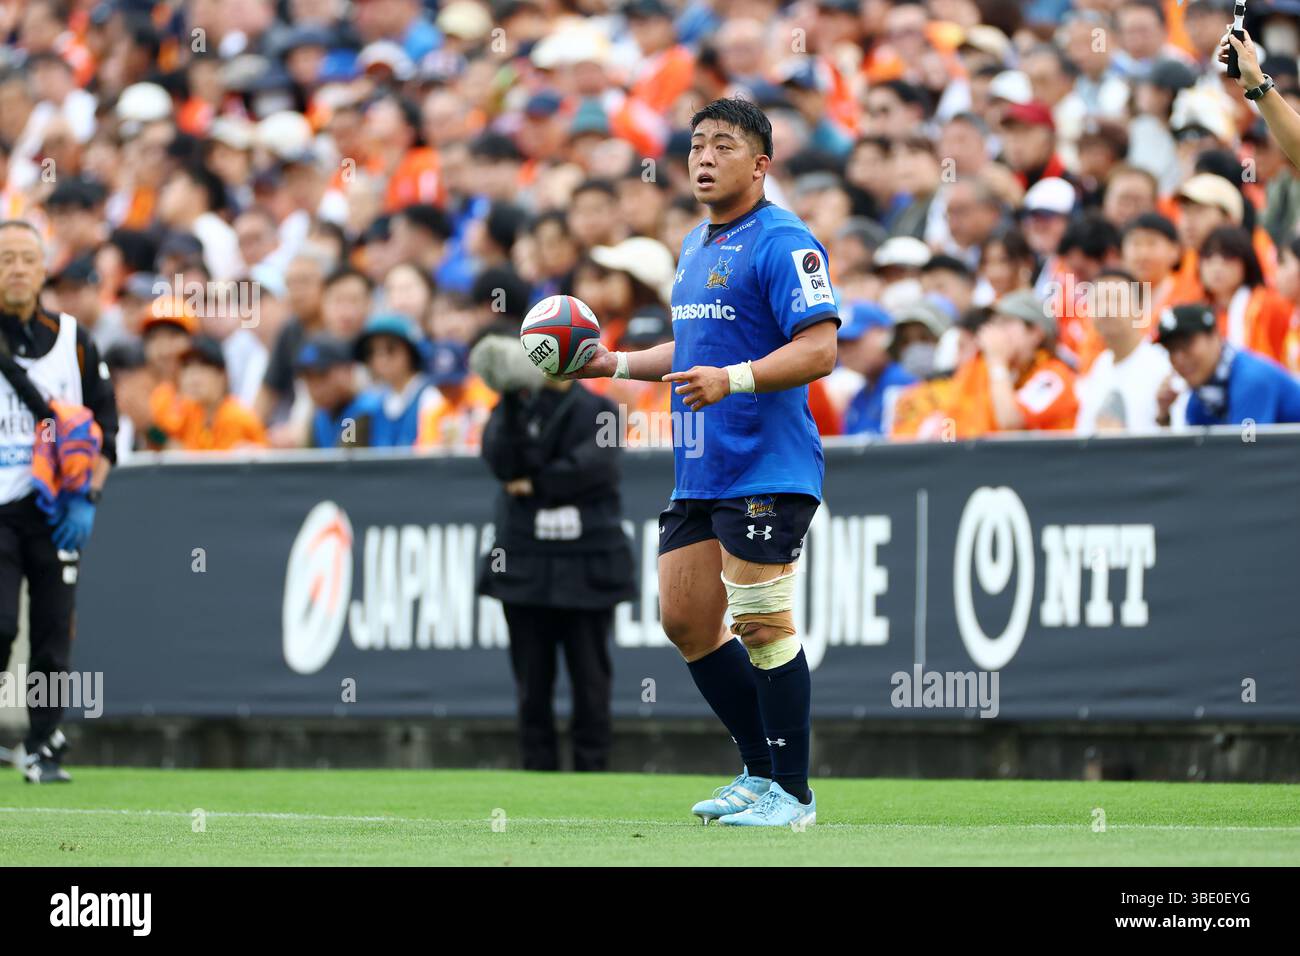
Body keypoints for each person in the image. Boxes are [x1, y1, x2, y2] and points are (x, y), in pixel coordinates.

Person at [564, 98, 839, 827]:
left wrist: (735, 379)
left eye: (724, 144)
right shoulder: (694, 244)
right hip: (700, 467)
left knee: (761, 622)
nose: (704, 157)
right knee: (685, 621)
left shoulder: (786, 241)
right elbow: (691, 351)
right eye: (695, 145)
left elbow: (820, 348)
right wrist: (612, 360)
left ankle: (794, 793)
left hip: (765, 464)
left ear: (761, 163)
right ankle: (758, 772)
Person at [472, 334, 635, 772]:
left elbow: (594, 469)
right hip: (526, 567)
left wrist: (536, 483)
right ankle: (536, 772)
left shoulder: (601, 411)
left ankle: (593, 774)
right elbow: (500, 460)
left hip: (588, 565)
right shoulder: (516, 408)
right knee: (531, 685)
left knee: (591, 681)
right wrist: (508, 396)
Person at [0, 220, 117, 783]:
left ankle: (44, 744)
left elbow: (108, 427)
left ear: (43, 269)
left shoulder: (74, 340)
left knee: (52, 634)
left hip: (54, 510)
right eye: (6, 259)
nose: (16, 269)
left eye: (26, 258)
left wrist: (88, 496)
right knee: (0, 626)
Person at [942, 289, 1079, 438]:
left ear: (1036, 333)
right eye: (994, 323)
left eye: (1006, 322)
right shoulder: (1008, 374)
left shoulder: (1054, 376)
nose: (995, 332)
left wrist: (997, 362)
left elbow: (1010, 423)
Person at [1156, 303, 1300, 426]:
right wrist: (1164, 418)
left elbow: (1248, 449)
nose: (1179, 358)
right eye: (1171, 349)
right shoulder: (1204, 395)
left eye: (1186, 344)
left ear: (1215, 336)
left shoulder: (1251, 379)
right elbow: (1197, 453)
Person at [1075, 269, 1172, 435]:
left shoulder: (1162, 365)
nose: (1106, 310)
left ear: (1140, 307)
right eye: (1098, 302)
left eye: (1117, 300)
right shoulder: (1100, 366)